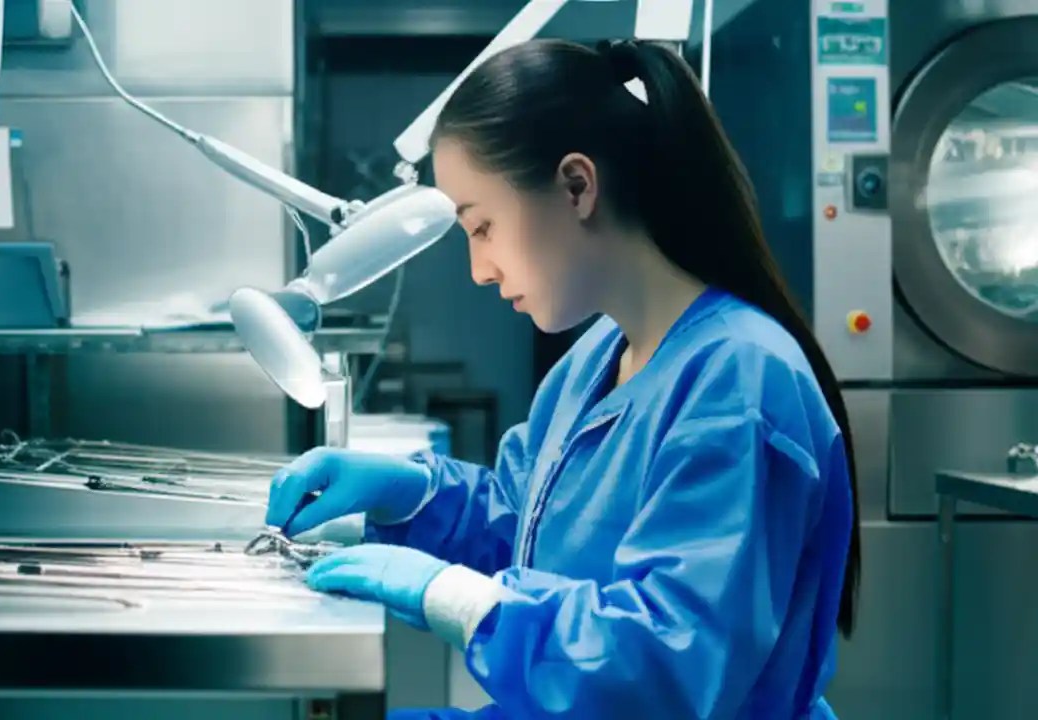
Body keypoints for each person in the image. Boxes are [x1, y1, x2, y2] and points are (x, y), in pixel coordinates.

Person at [265, 38, 859, 720]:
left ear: (577, 186)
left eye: (481, 227)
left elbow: (667, 667)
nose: (478, 270)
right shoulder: (595, 358)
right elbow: (528, 525)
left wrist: (458, 597)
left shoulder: (739, 381)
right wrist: (411, 497)